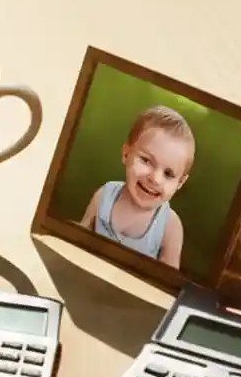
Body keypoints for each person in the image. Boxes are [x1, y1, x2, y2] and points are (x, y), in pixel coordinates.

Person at [79, 105, 195, 269]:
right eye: (146, 160)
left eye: (168, 174)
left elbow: (167, 284)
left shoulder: (170, 226)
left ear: (180, 183)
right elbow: (76, 241)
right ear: (126, 154)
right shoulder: (104, 196)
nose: (155, 179)